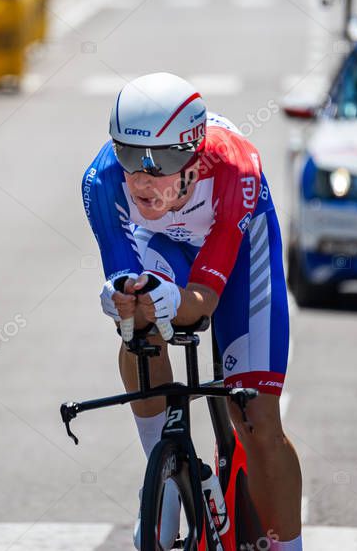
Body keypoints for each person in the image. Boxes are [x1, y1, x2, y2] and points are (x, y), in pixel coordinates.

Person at [82, 72, 304, 550]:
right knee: (138, 331)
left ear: (193, 154)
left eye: (158, 161)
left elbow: (204, 298)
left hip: (236, 248)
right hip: (163, 244)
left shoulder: (235, 168)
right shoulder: (102, 182)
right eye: (127, 154)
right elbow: (129, 291)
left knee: (257, 419)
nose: (140, 178)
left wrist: (176, 301)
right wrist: (126, 299)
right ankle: (160, 483)